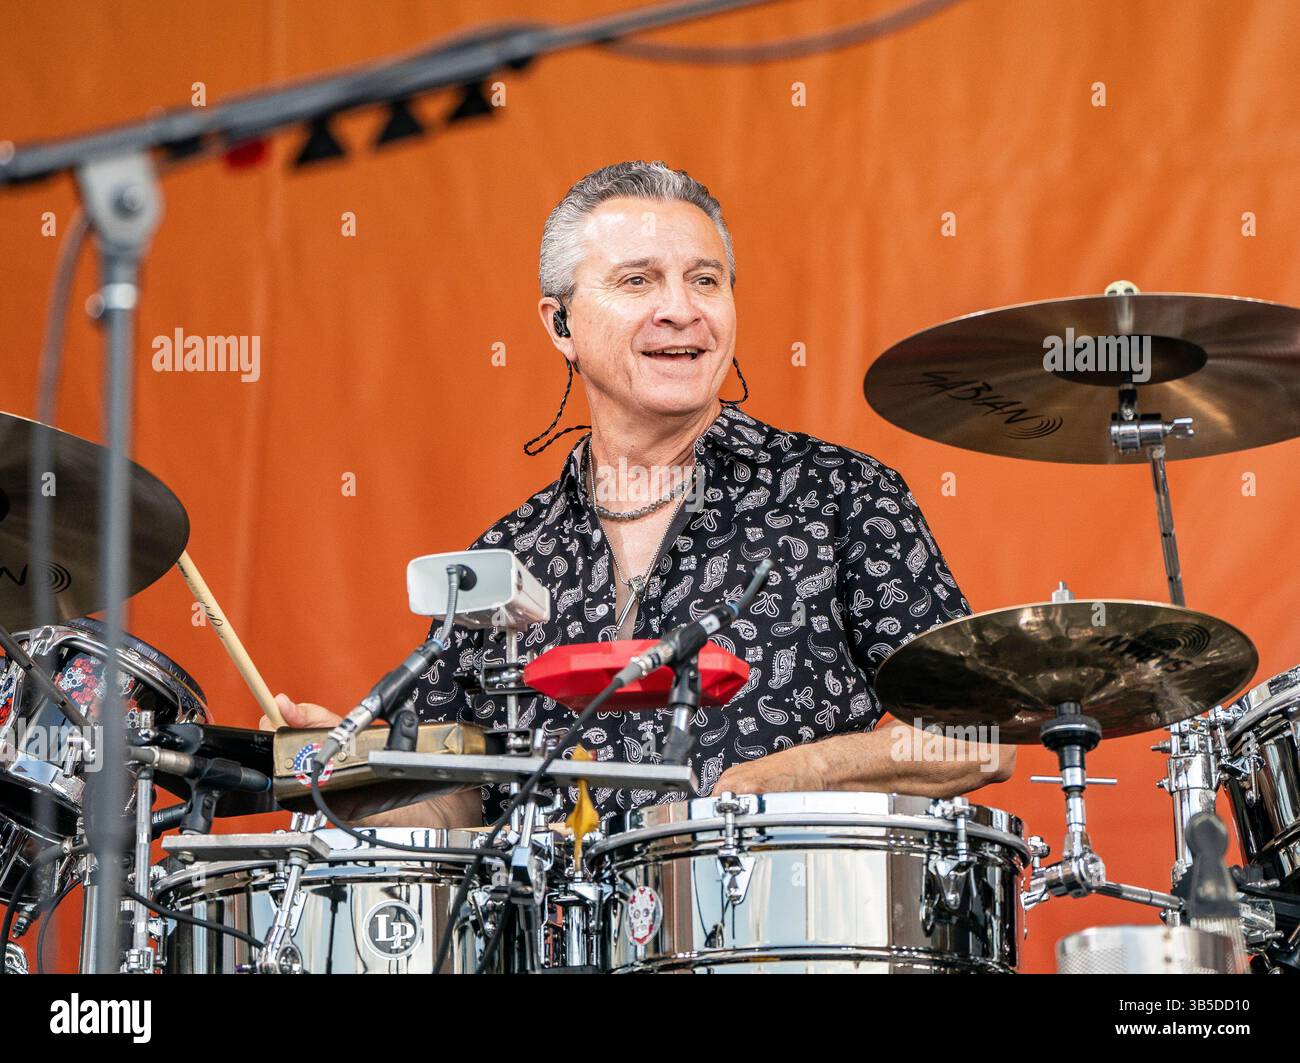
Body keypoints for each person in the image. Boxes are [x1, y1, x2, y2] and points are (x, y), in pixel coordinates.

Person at [264, 160, 1015, 828]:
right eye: (637, 280)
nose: (681, 309)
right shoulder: (505, 556)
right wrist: (357, 781)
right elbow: (463, 801)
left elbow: (979, 738)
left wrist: (770, 782)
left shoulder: (842, 497)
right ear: (560, 323)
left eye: (705, 279)